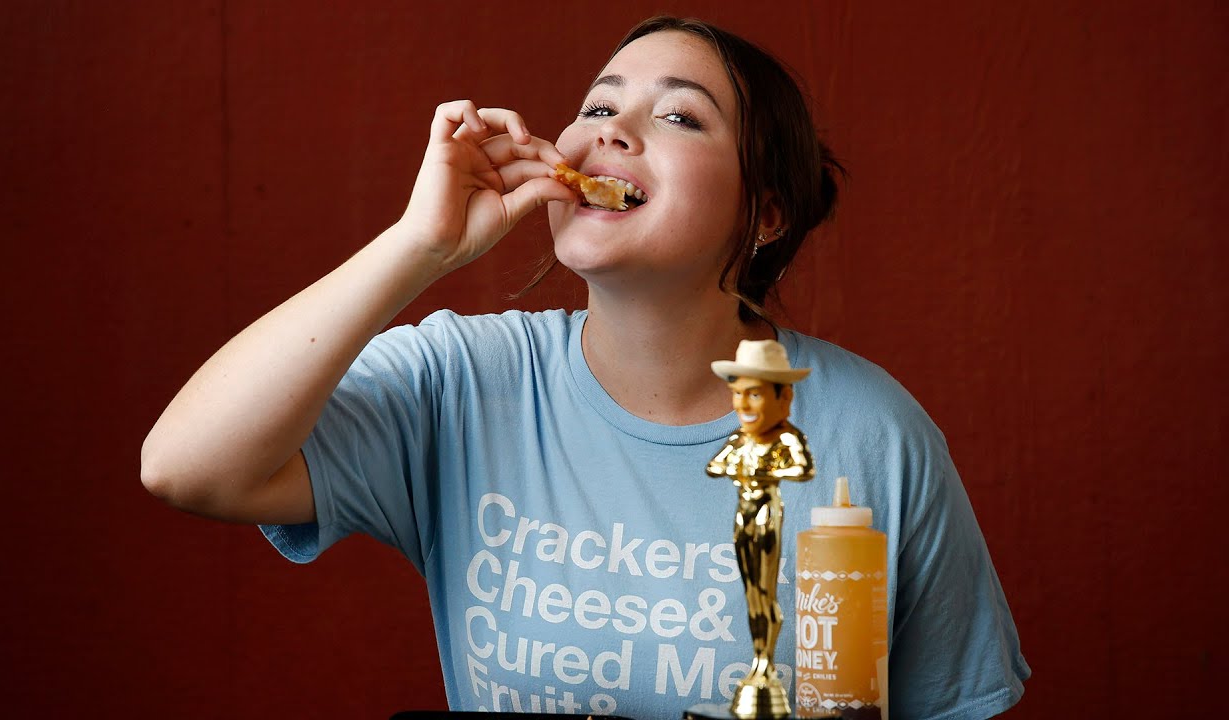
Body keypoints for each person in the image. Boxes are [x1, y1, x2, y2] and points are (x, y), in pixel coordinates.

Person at [142, 15, 1030, 719]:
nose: (614, 133)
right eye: (600, 108)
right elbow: (187, 467)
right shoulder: (465, 380)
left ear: (765, 215)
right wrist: (420, 247)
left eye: (680, 115)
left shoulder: (872, 436)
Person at [705, 339, 816, 717]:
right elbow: (715, 466)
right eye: (738, 394)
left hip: (768, 512)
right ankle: (759, 660)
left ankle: (765, 663)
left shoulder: (786, 438)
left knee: (765, 589)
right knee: (751, 588)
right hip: (744, 513)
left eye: (754, 394)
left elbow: (802, 470)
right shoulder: (742, 439)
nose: (743, 405)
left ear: (783, 398)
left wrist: (761, 470)